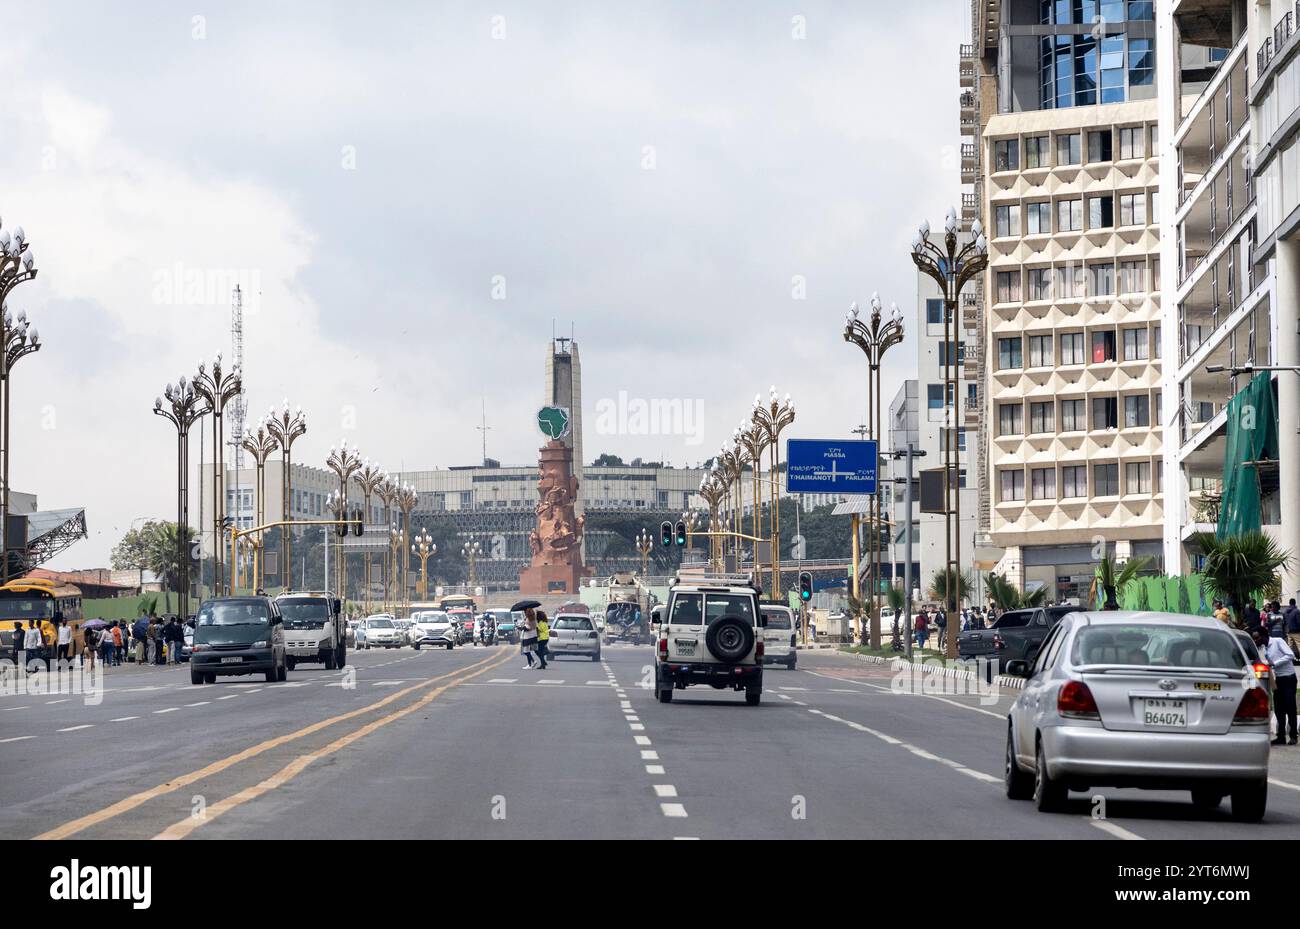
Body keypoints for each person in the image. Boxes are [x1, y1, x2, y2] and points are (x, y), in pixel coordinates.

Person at [1262, 626, 1297, 745]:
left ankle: (1293, 736)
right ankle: (1281, 736)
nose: (1256, 640)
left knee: (1290, 707)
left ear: (1264, 636)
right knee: (1279, 709)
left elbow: (1290, 655)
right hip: (1277, 680)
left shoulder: (1278, 641)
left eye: (1257, 638)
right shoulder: (1263, 648)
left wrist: (1274, 664)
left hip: (1288, 678)